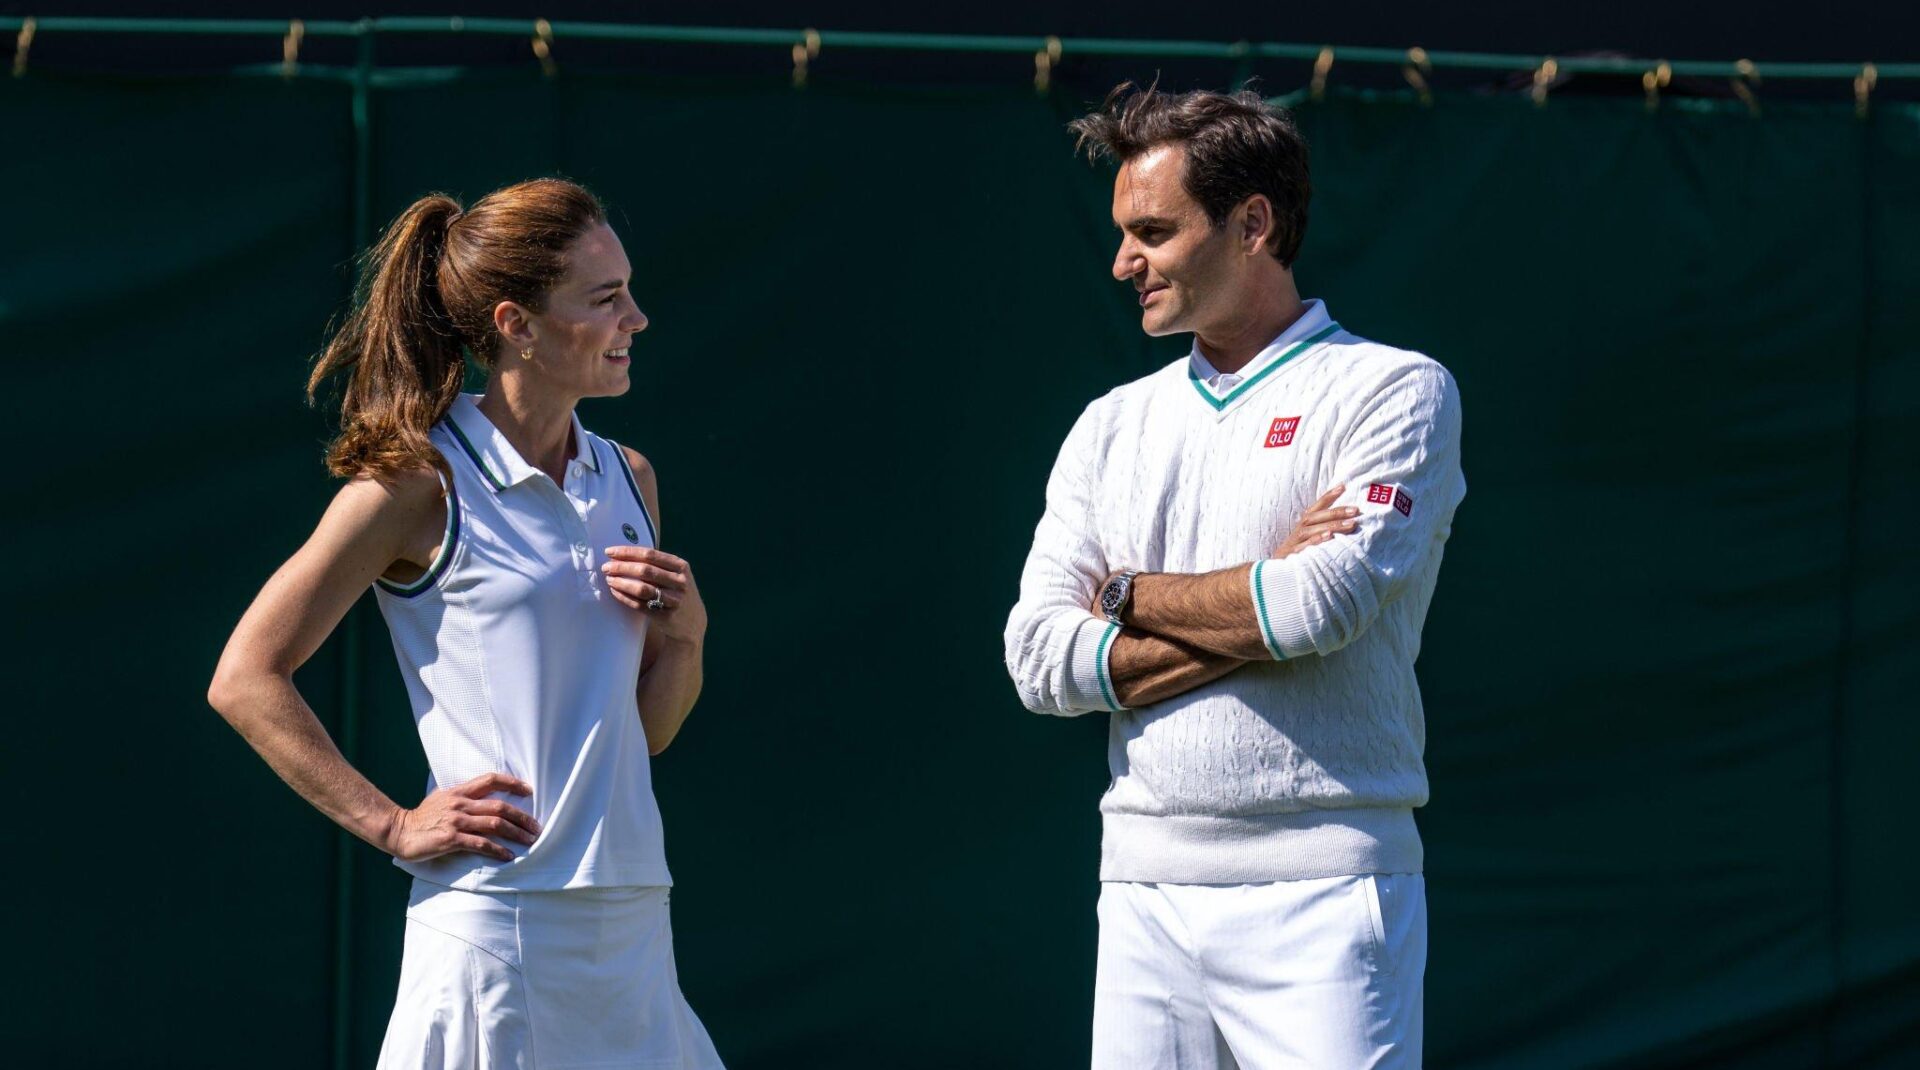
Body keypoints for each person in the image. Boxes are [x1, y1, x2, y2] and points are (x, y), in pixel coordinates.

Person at [208, 177, 725, 1069]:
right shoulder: (415, 486)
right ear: (514, 324)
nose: (636, 318)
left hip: (636, 922)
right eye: (605, 299)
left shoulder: (629, 477)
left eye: (629, 290)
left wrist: (687, 636)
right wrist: (394, 826)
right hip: (495, 933)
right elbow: (245, 676)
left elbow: (644, 734)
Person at [1002, 84, 1466, 1068]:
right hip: (1140, 893)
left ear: (1253, 222)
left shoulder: (1397, 389)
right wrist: (1255, 596)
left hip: (1330, 892)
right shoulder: (1109, 423)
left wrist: (1126, 594)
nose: (1124, 261)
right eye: (1124, 232)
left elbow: (1320, 606)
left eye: (1154, 231)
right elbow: (1039, 658)